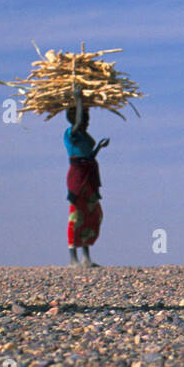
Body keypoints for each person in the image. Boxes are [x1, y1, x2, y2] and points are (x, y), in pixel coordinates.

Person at [64, 83, 109, 268]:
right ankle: (73, 257)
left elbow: (89, 155)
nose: (87, 120)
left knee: (92, 213)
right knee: (76, 215)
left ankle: (86, 256)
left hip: (89, 176)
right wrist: (79, 100)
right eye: (85, 117)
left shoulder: (85, 137)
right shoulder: (71, 133)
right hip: (77, 177)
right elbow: (78, 121)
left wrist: (99, 146)